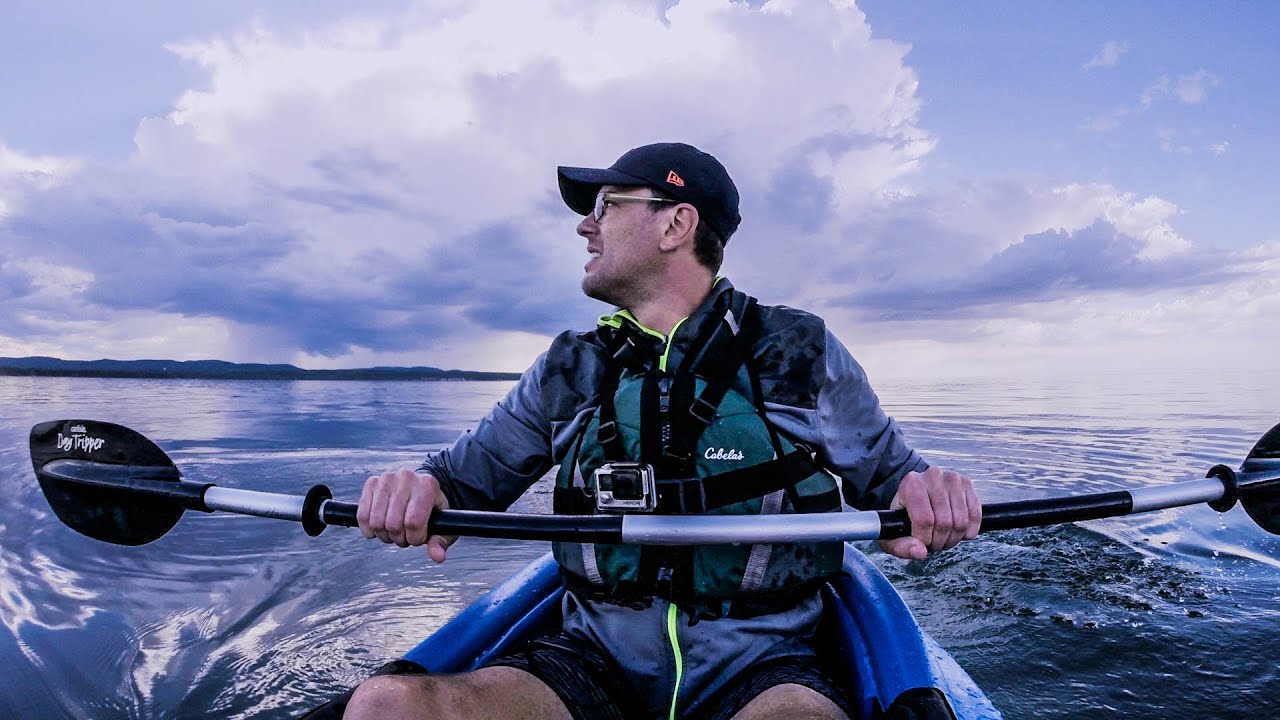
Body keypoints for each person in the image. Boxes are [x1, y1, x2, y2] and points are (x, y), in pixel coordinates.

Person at [340, 142, 982, 720]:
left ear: (676, 223)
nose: (584, 225)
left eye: (606, 205)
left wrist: (932, 496)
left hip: (764, 665)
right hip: (588, 661)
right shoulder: (571, 366)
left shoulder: (794, 352)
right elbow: (459, 485)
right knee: (385, 706)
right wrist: (418, 489)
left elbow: (897, 484)